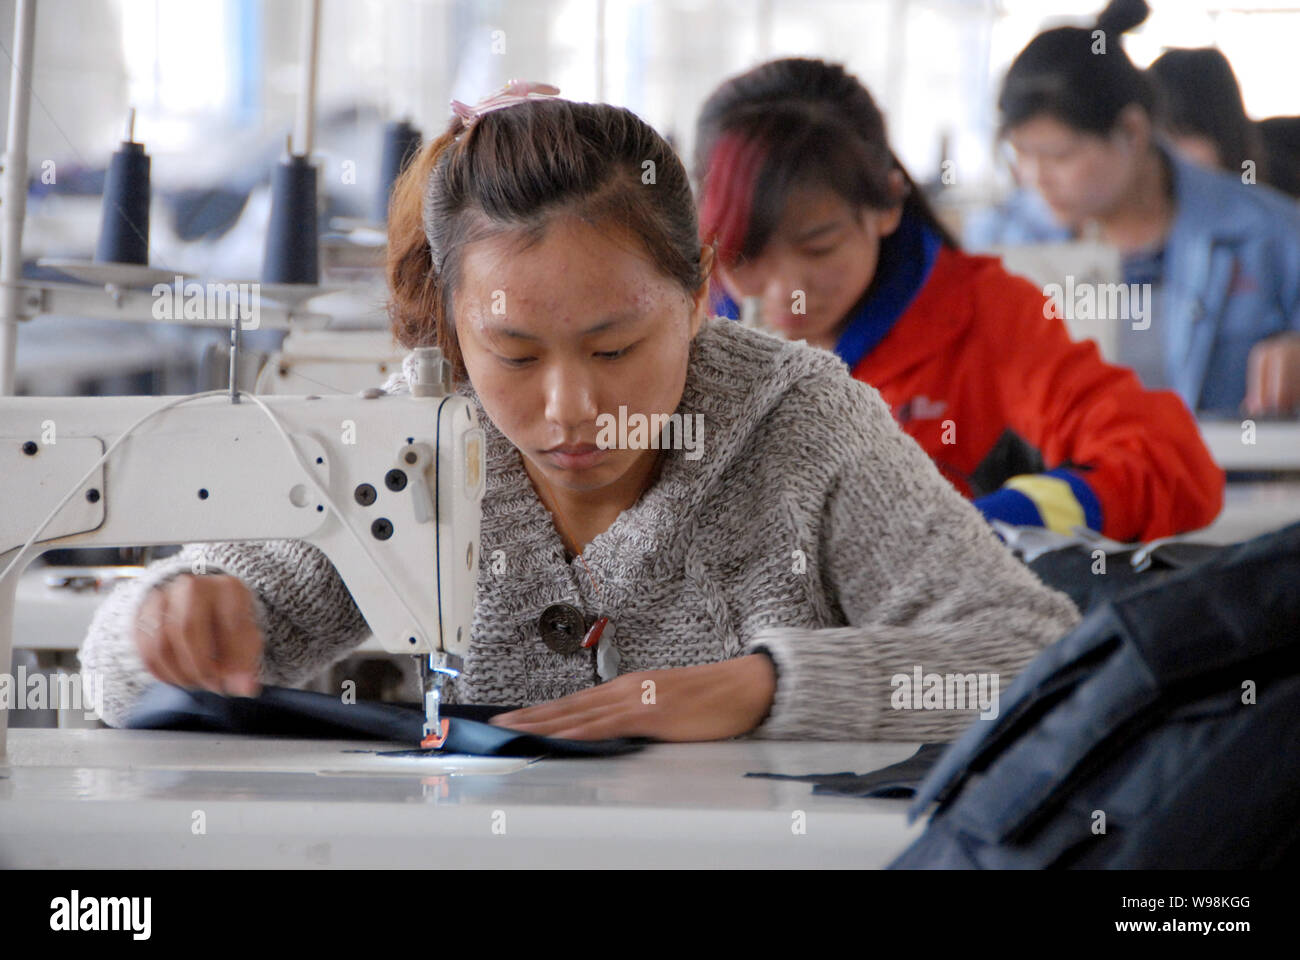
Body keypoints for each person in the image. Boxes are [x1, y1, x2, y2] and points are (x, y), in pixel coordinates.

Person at [78, 83, 1081, 743]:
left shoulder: (804, 424)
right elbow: (121, 682)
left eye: (613, 348)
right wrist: (168, 618)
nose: (570, 408)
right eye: (512, 353)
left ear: (698, 301)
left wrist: (767, 688)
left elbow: (1030, 655)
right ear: (454, 335)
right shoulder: (413, 439)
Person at [694, 57, 1223, 545]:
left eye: (819, 246)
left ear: (887, 205)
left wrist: (974, 532)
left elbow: (1171, 463)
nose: (790, 293)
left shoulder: (986, 318)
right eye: (744, 255)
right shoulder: (678, 335)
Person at [997, 0, 1300, 416]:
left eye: (1059, 157)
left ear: (1132, 131)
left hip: (1223, 477)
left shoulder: (1267, 233)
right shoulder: (1006, 242)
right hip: (1071, 480)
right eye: (1022, 155)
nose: (1036, 178)